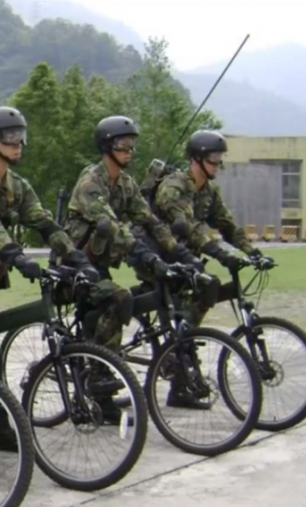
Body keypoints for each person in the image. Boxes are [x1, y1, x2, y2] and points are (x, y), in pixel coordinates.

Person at [0, 106, 99, 447]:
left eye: (20, 137)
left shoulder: (17, 185)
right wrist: (16, 255)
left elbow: (44, 222)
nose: (18, 145)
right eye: (9, 138)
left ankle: (0, 427)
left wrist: (75, 256)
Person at [66, 115, 207, 409]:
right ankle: (100, 372)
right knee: (119, 298)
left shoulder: (126, 184)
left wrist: (182, 255)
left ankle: (103, 397)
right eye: (122, 144)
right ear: (106, 146)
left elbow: (152, 222)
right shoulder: (91, 183)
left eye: (132, 145)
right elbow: (113, 228)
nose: (129, 150)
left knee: (160, 288)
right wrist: (146, 256)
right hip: (75, 265)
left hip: (100, 265)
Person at [154, 129, 264, 327]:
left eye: (220, 158)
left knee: (208, 288)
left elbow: (227, 225)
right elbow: (187, 226)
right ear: (197, 158)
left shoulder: (209, 191)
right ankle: (176, 347)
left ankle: (186, 337)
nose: (218, 165)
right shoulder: (173, 187)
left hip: (188, 261)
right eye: (213, 159)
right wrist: (219, 253)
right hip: (160, 257)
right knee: (200, 288)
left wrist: (253, 252)